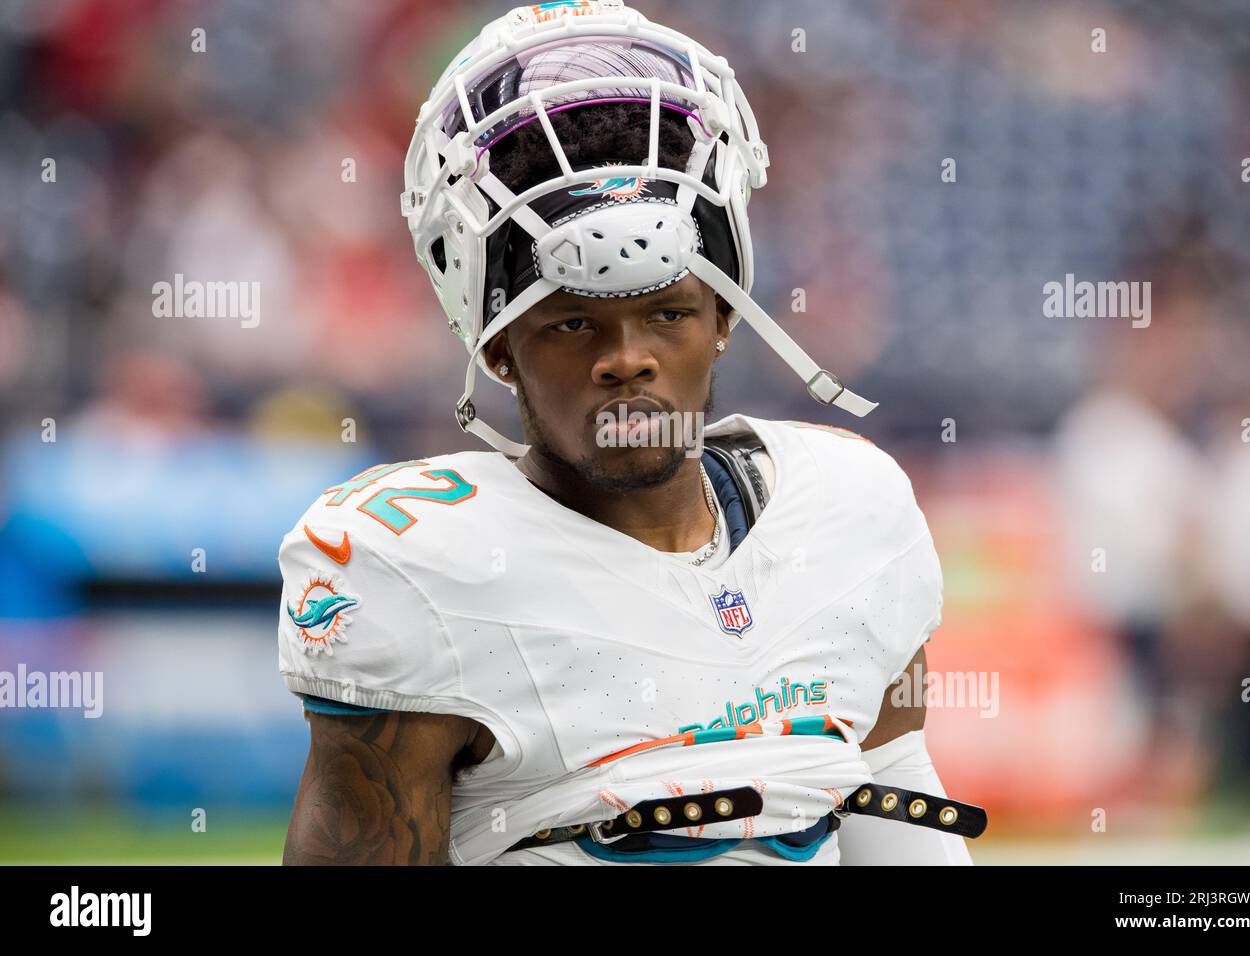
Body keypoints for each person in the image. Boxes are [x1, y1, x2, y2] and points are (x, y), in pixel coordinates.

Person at [277, 0, 975, 865]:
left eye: (667, 314)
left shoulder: (850, 508)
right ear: (497, 345)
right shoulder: (421, 568)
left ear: (725, 314)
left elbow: (892, 798)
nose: (627, 360)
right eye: (575, 324)